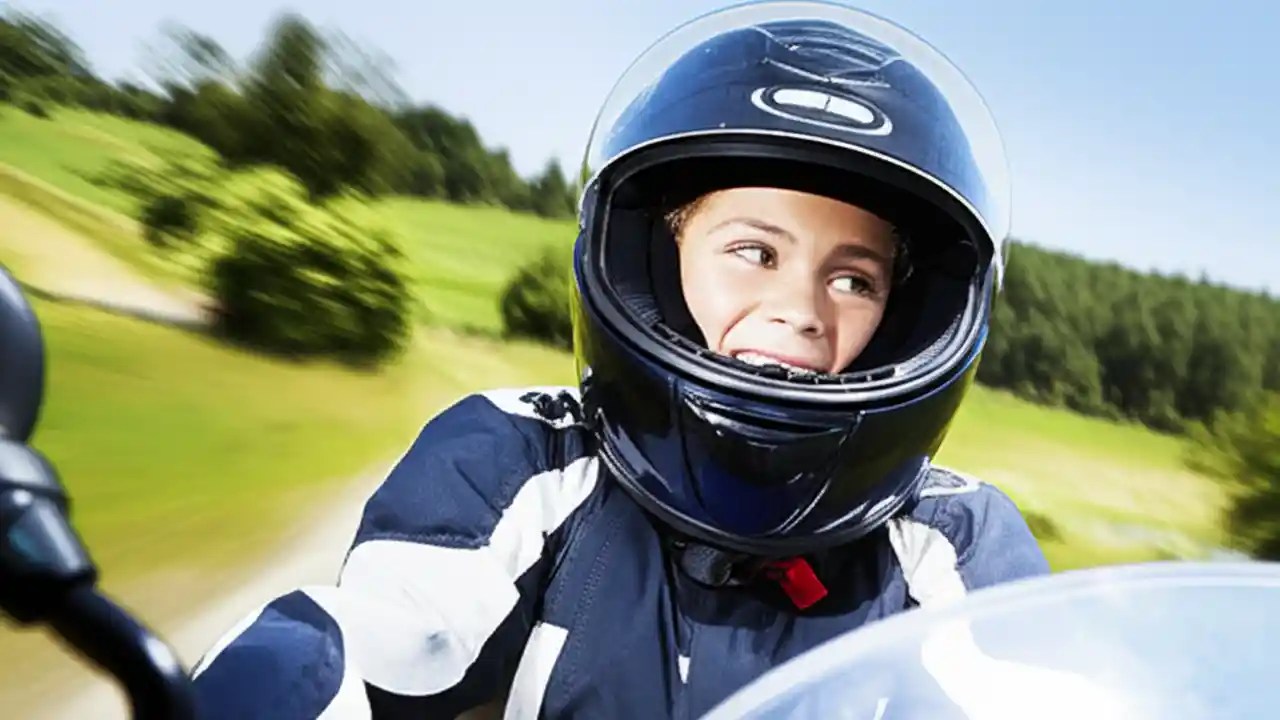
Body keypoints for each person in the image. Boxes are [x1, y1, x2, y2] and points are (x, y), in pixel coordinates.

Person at [190, 3, 1049, 718]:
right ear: (654, 264)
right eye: (754, 252)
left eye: (855, 279)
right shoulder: (521, 459)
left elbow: (1035, 688)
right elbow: (384, 638)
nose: (802, 310)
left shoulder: (952, 540)